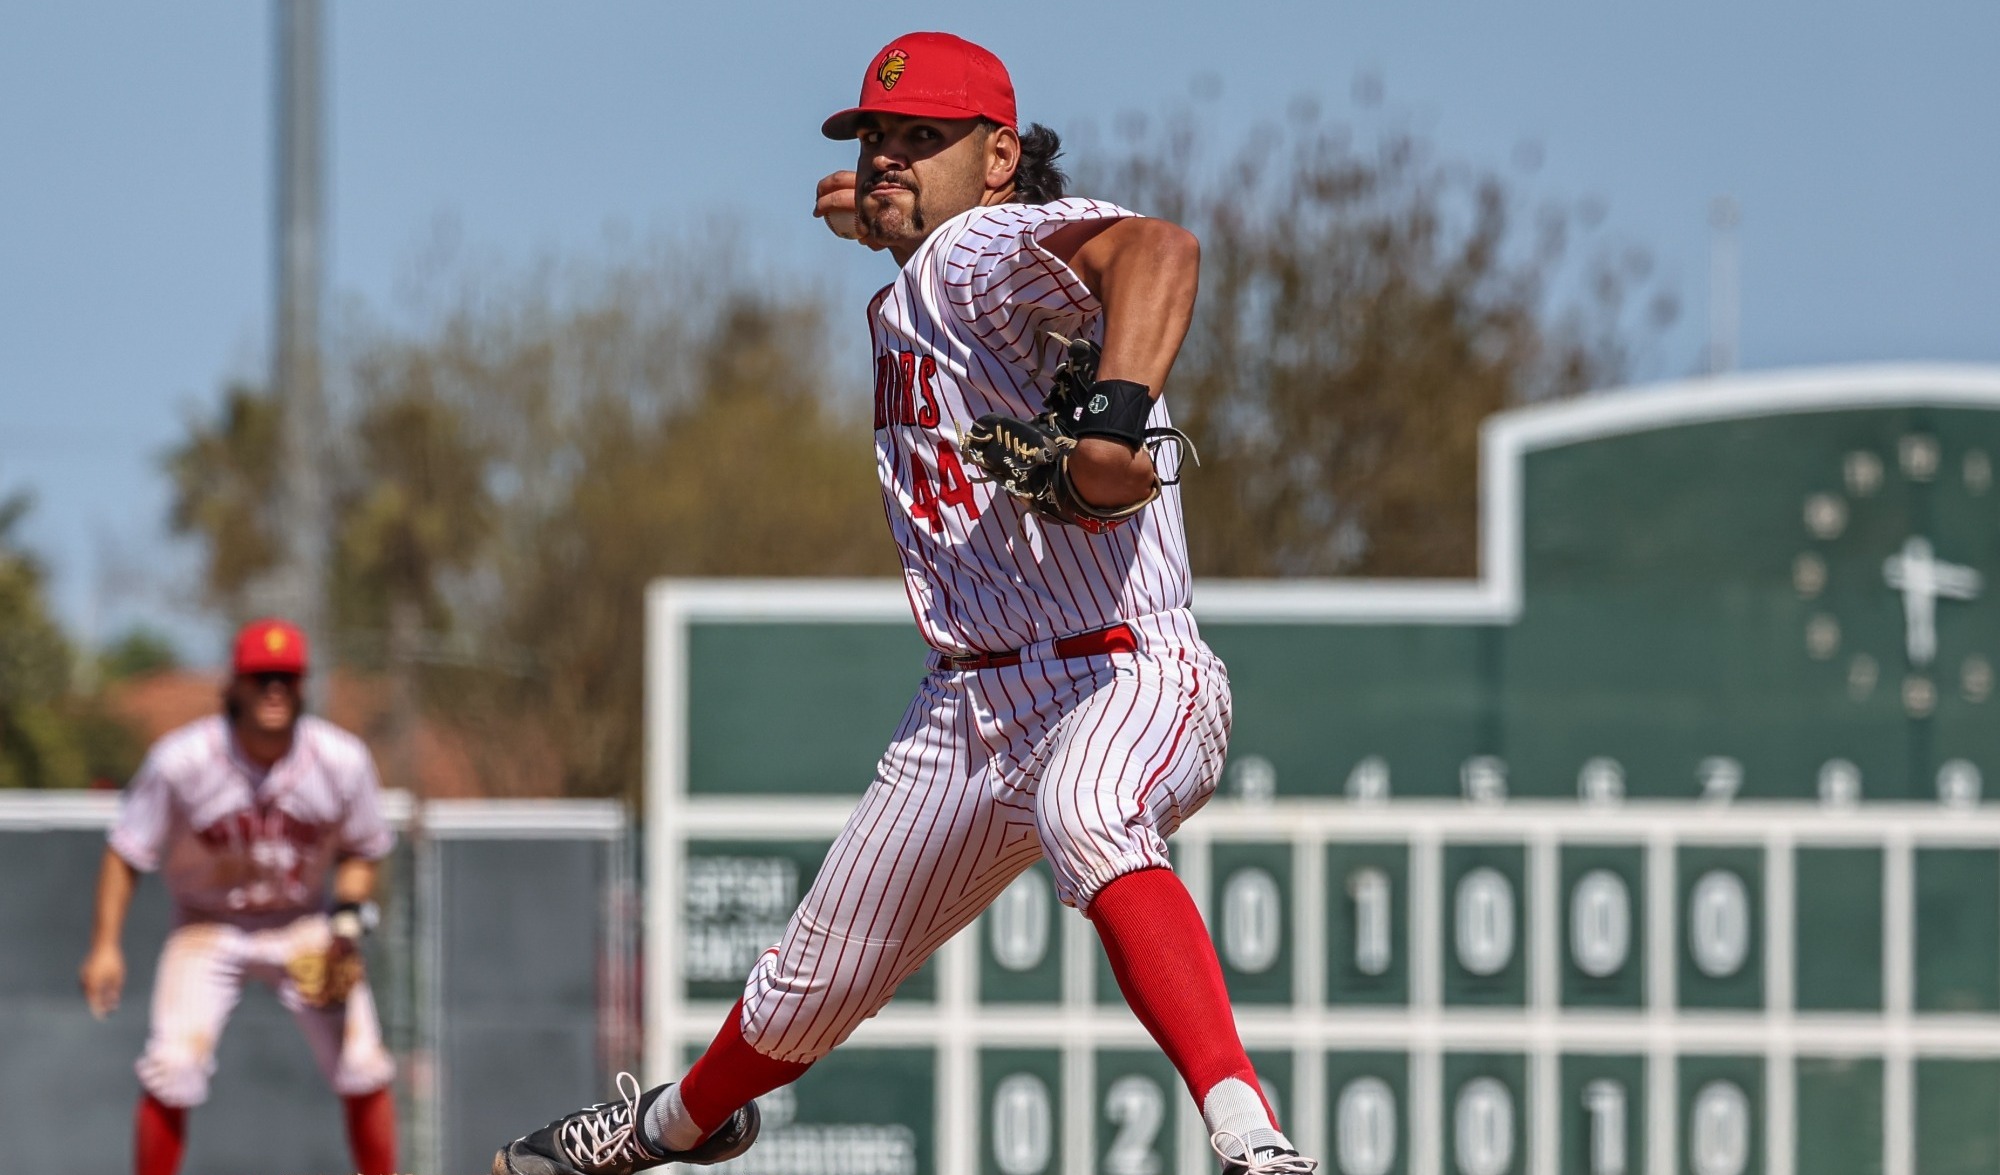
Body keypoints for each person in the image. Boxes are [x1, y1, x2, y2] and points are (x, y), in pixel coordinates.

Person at [493, 30, 1317, 1175]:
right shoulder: (932, 262)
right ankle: (671, 1125)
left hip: (1121, 671)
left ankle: (1251, 1138)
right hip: (968, 709)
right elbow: (932, 253)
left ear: (996, 159)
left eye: (920, 139)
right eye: (874, 136)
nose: (886, 157)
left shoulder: (979, 244)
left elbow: (1158, 248)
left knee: (1088, 810)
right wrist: (879, 208)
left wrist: (1115, 419)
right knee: (800, 990)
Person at [79, 617, 399, 1175]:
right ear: (234, 685)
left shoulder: (341, 760)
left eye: (286, 676)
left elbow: (362, 850)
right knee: (173, 1065)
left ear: (303, 685)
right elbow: (125, 851)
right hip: (208, 923)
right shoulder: (182, 760)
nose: (273, 688)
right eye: (260, 676)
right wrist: (105, 945)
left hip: (304, 920)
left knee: (364, 1062)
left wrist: (347, 922)